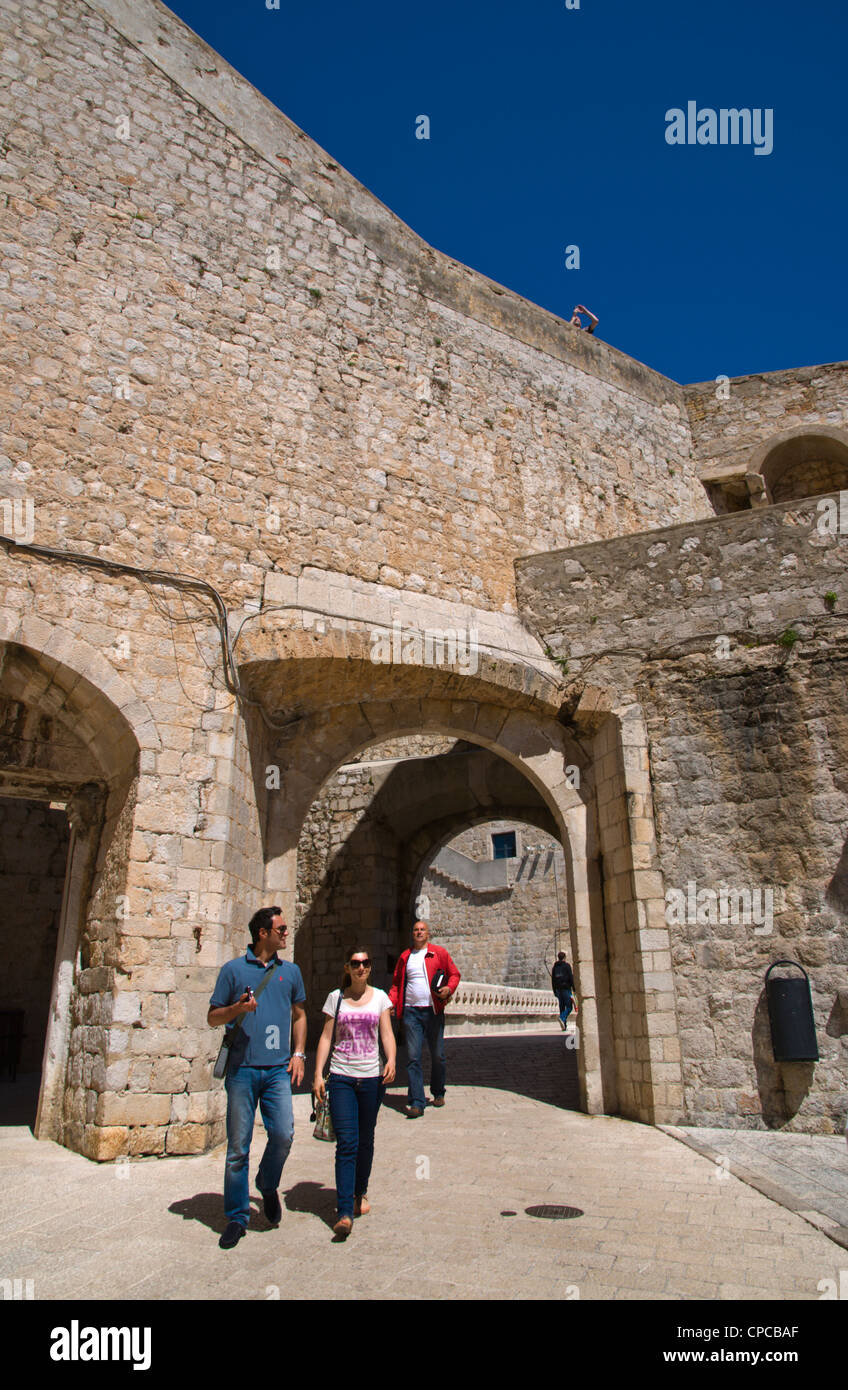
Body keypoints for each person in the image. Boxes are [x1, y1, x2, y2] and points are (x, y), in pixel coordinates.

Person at [208, 906, 306, 1249]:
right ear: (262, 933)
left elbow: (299, 1014)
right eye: (280, 928)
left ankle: (266, 1182)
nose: (285, 933)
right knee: (238, 1148)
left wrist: (298, 1053)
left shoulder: (290, 972)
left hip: (278, 1069)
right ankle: (236, 1216)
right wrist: (237, 1009)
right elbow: (212, 1018)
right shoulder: (232, 970)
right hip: (241, 1071)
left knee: (283, 1134)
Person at [313, 946, 396, 1239]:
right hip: (342, 1077)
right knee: (347, 1142)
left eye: (365, 963)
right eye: (355, 963)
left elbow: (386, 1033)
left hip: (370, 1078)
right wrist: (317, 1074)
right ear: (347, 967)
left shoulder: (381, 998)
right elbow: (325, 1037)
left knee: (365, 1139)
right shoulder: (336, 999)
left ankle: (360, 1191)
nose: (361, 967)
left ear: (370, 967)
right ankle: (344, 1210)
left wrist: (392, 1060)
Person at [388, 919, 460, 1118]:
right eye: (416, 930)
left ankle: (438, 1092)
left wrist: (449, 989)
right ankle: (417, 1102)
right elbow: (396, 983)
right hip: (411, 1012)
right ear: (412, 934)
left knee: (438, 1055)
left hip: (433, 1011)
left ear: (428, 933)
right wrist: (391, 1002)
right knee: (413, 1057)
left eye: (422, 930)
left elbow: (454, 974)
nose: (419, 932)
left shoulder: (439, 953)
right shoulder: (405, 957)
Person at [551, 951, 576, 1030]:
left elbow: (553, 980)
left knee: (562, 1007)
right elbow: (571, 978)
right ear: (564, 958)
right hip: (566, 988)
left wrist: (554, 990)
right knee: (569, 1007)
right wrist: (574, 988)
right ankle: (562, 1018)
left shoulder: (555, 967)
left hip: (558, 989)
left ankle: (564, 1026)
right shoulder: (567, 966)